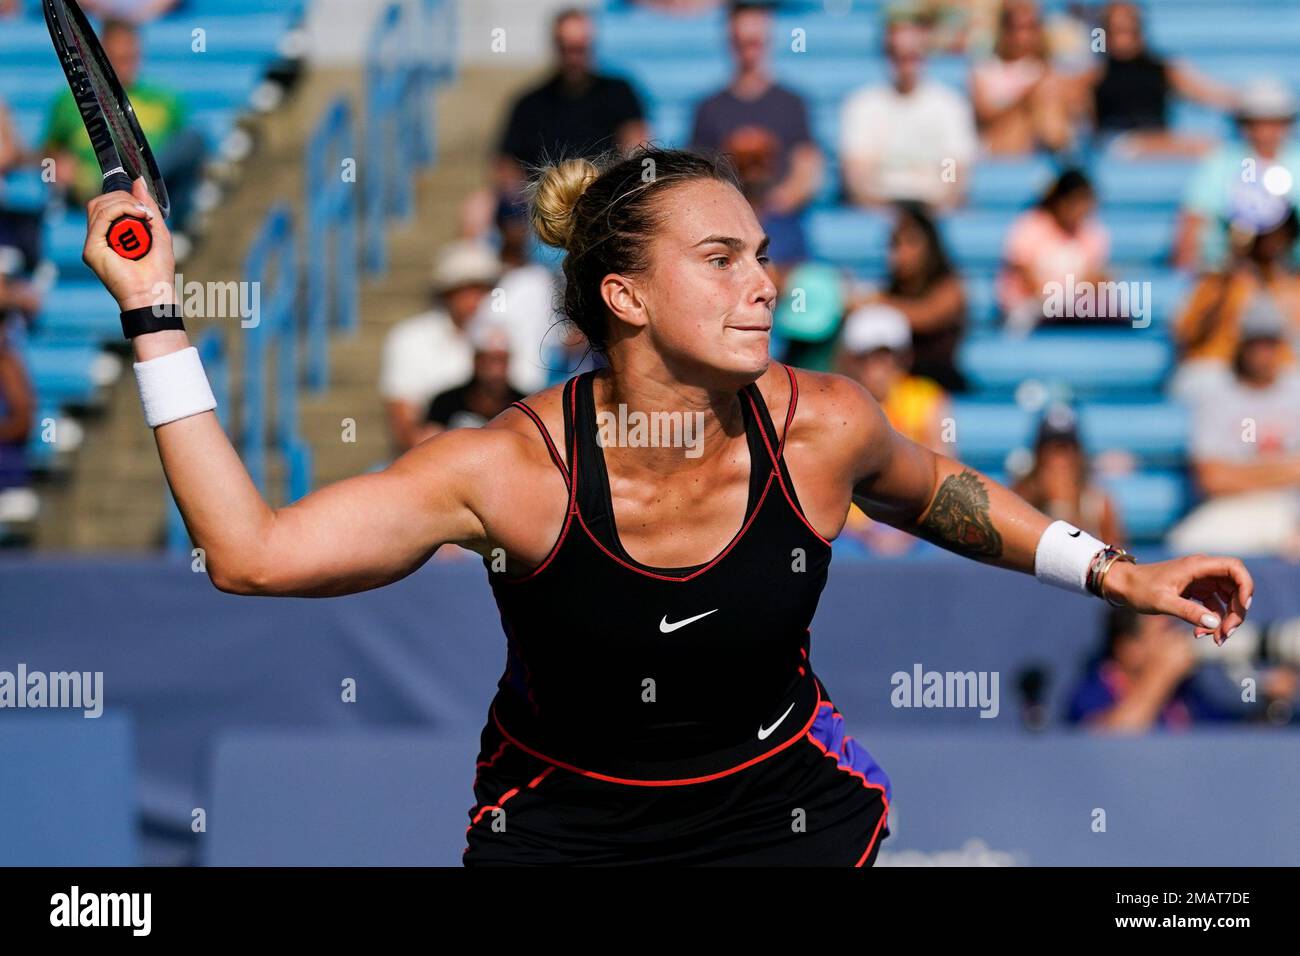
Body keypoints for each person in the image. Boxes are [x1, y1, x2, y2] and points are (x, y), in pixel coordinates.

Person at [81, 146, 1254, 866]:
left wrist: (1115, 569)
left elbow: (936, 489)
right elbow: (248, 553)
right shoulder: (509, 469)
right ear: (626, 294)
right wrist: (151, 308)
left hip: (787, 811)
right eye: (723, 258)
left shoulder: (824, 421)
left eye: (760, 252)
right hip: (559, 826)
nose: (765, 280)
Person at [689, 1, 824, 279]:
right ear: (730, 40)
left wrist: (773, 203)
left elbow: (808, 169)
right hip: (724, 222)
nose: (749, 50)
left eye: (754, 41)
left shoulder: (791, 103)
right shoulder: (709, 108)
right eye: (742, 42)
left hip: (781, 223)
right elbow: (697, 176)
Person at [41, 19, 207, 232]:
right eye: (116, 59)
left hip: (154, 196)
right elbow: (47, 154)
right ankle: (128, 185)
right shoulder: (70, 100)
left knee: (193, 140)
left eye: (129, 59)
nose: (123, 66)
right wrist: (58, 167)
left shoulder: (165, 99)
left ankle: (137, 186)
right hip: (96, 190)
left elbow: (188, 161)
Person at [1167, 302, 1300, 558]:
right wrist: (1289, 470)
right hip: (1237, 508)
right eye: (1256, 342)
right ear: (1242, 344)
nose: (1263, 351)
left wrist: (1241, 472)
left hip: (1291, 508)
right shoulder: (1217, 393)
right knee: (1185, 545)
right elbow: (1212, 479)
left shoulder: (1295, 390)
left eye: (1269, 342)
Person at [490, 7, 648, 205]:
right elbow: (506, 165)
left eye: (580, 48)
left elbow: (637, 147)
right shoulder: (528, 104)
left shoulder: (619, 93)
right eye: (567, 48)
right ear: (555, 46)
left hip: (605, 198)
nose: (573, 58)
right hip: (543, 203)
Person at [835, 304, 951, 556]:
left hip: (916, 527)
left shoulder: (927, 399)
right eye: (868, 356)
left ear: (903, 358)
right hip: (848, 532)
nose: (878, 366)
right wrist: (861, 531)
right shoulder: (837, 402)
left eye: (886, 355)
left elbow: (943, 471)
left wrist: (909, 530)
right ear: (852, 360)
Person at [1169, 189, 1300, 402]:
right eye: (1260, 232)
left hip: (1281, 383)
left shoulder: (1294, 285)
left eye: (1276, 231)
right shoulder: (1216, 282)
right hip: (1221, 377)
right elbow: (1185, 334)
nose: (1268, 240)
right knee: (1203, 380)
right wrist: (1226, 285)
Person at [839, 16, 978, 210]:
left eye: (913, 56)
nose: (906, 66)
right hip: (882, 207)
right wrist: (880, 210)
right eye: (897, 56)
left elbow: (954, 169)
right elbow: (857, 173)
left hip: (931, 207)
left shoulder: (949, 105)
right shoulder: (864, 105)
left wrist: (938, 208)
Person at [379, 241, 501, 453]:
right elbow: (403, 419)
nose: (475, 299)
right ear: (446, 293)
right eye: (467, 289)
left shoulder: (503, 338)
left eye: (482, 289)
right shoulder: (409, 338)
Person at [1174, 78, 1300, 272]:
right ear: (1244, 125)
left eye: (1275, 123)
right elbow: (1192, 221)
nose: (1265, 132)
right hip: (1226, 272)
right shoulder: (1220, 163)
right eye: (1257, 123)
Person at [1079, 1, 1235, 157]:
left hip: (1158, 140)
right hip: (1116, 144)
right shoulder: (1093, 73)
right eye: (1117, 30)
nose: (1124, 38)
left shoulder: (1164, 68)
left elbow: (1208, 94)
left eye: (1130, 29)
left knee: (1212, 147)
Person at [850, 201, 968, 393]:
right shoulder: (890, 289)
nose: (901, 253)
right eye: (895, 244)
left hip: (938, 386)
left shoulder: (950, 286)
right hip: (897, 391)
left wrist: (875, 303)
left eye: (910, 242)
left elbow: (927, 316)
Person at [1066, 606, 1235, 732]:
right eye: (1165, 632)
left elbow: (1231, 731)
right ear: (1129, 649)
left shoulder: (1185, 694)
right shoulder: (1092, 692)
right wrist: (1162, 675)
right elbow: (1108, 740)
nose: (1178, 638)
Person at [998, 168, 1113, 331]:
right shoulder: (1029, 226)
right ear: (1061, 201)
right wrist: (1061, 296)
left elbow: (1095, 279)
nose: (1081, 210)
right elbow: (1028, 280)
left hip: (1074, 311)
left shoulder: (1092, 232)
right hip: (1031, 309)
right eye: (1076, 202)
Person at [1011, 402, 1125, 546]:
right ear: (1038, 454)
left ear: (1078, 454)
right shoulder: (1019, 499)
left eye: (1065, 448)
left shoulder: (1098, 505)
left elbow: (1117, 561)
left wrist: (1062, 506)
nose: (1058, 460)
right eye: (1050, 449)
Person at [969, 0, 1072, 155]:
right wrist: (1025, 97)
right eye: (1016, 28)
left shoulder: (1051, 71)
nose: (1023, 36)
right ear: (1004, 31)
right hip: (1000, 144)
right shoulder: (985, 70)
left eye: (1031, 28)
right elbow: (984, 114)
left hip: (1042, 138)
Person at [421, 320, 526, 440]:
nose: (496, 370)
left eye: (501, 361)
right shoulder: (445, 403)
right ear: (476, 361)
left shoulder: (524, 405)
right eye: (490, 360)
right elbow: (428, 444)